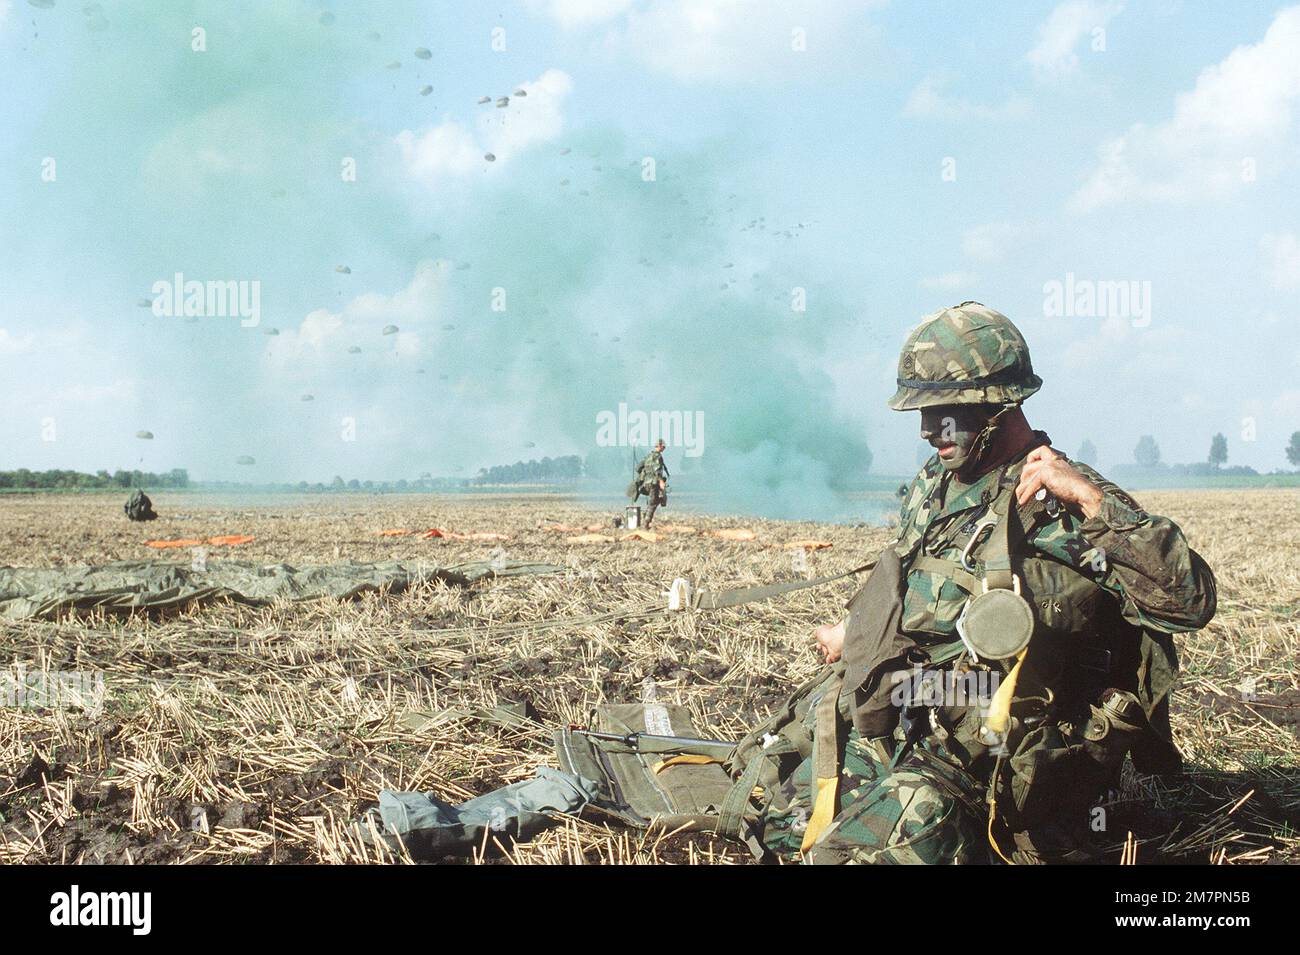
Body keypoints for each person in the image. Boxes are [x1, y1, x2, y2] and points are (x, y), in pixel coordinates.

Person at [757, 302, 1217, 864]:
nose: (927, 430)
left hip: (999, 760)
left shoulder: (1059, 499)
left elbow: (1189, 602)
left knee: (873, 848)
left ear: (999, 406)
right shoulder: (937, 482)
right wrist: (855, 632)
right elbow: (914, 578)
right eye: (922, 412)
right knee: (776, 813)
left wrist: (1091, 501)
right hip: (910, 720)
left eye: (942, 411)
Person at [635, 439, 670, 528]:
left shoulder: (648, 456)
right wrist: (661, 481)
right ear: (659, 446)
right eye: (663, 446)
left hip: (646, 484)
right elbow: (657, 470)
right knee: (653, 503)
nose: (664, 448)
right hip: (654, 483)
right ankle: (645, 524)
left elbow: (638, 468)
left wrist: (646, 474)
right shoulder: (658, 457)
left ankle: (646, 515)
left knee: (656, 500)